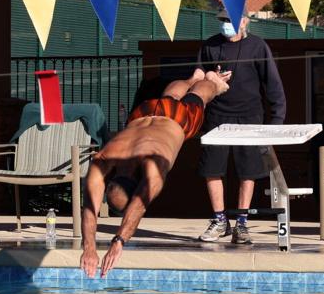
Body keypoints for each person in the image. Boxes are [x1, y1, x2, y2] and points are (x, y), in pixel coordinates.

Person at [80, 69, 231, 278]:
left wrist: (118, 242)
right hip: (143, 114)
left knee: (199, 97)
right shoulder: (105, 158)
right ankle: (193, 78)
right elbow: (89, 207)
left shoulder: (153, 165)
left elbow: (139, 205)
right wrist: (89, 248)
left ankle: (212, 81)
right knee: (170, 97)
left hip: (178, 121)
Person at [195, 10, 286, 245]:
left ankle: (242, 223)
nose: (226, 24)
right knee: (212, 169)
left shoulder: (258, 46)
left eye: (231, 20)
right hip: (216, 116)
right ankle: (219, 220)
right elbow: (196, 76)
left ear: (244, 21)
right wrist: (209, 76)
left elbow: (273, 86)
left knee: (248, 171)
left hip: (250, 116)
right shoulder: (209, 46)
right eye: (223, 20)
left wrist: (276, 122)